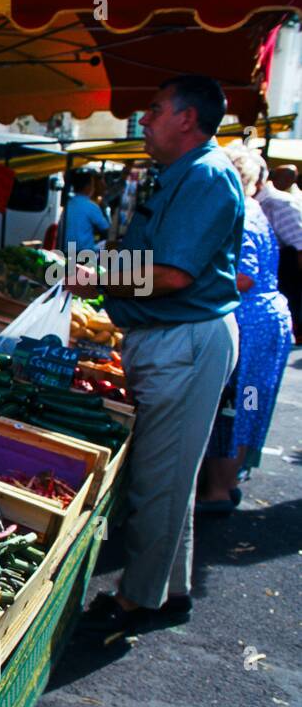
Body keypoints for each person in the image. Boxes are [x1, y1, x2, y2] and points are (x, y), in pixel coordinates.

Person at [69, 75, 243, 629]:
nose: (143, 120)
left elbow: (171, 273)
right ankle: (168, 590)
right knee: (169, 476)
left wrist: (99, 275)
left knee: (158, 478)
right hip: (174, 339)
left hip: (185, 341)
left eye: (154, 108)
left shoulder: (207, 176)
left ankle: (135, 602)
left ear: (187, 118)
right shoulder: (184, 175)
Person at [197, 145, 294, 512]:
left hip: (252, 326)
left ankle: (218, 489)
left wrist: (196, 280)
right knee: (250, 401)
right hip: (265, 323)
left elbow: (244, 276)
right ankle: (230, 480)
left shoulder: (240, 214)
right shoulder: (253, 210)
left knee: (237, 404)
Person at [261, 163, 302, 342]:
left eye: (289, 177)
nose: (286, 181)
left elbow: (300, 245)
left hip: (286, 275)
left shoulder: (280, 202)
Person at [61, 168, 110, 256]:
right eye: (93, 185)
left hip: (66, 251)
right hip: (83, 253)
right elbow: (105, 228)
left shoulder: (68, 204)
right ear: (88, 187)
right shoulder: (91, 206)